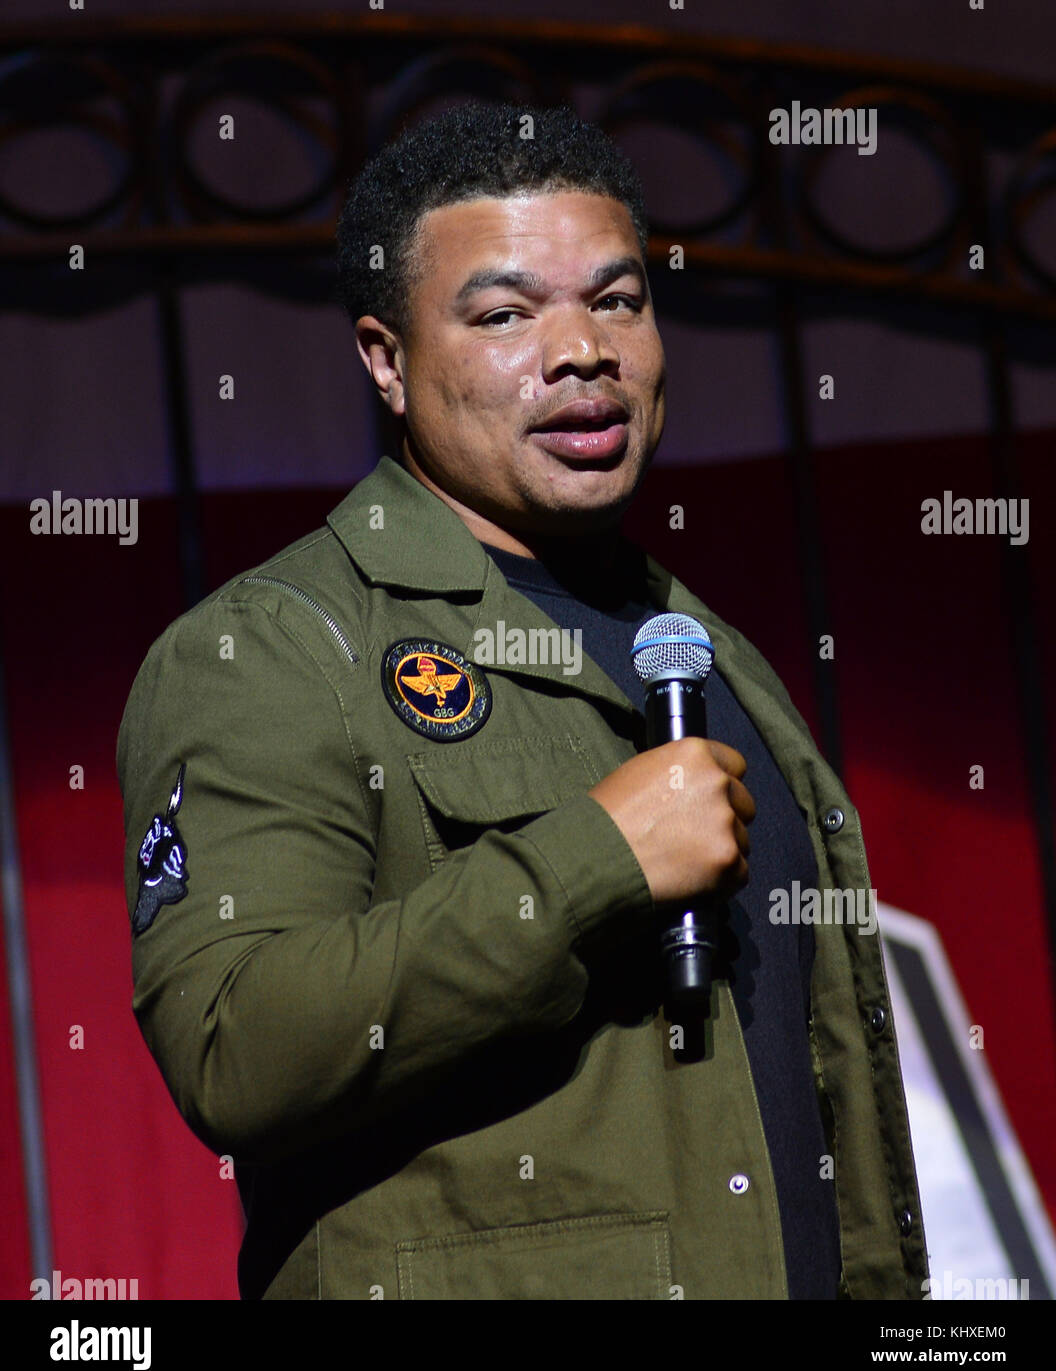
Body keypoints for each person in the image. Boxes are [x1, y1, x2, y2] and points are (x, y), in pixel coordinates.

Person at [117, 101, 928, 1300]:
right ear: (386, 360)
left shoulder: (700, 646)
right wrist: (592, 859)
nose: (582, 350)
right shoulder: (275, 644)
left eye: (618, 299)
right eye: (505, 314)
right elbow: (234, 1048)